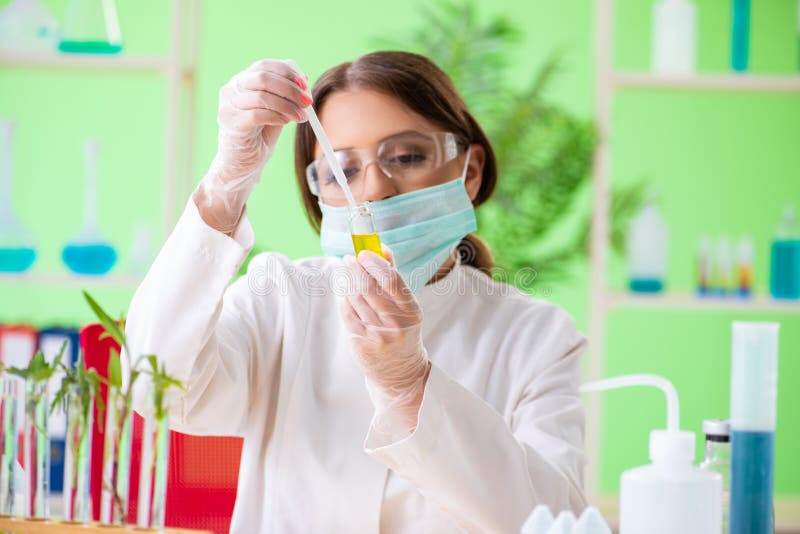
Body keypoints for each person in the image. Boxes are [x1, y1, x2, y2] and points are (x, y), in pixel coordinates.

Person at [127, 51, 587, 533]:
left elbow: (554, 520)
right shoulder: (281, 298)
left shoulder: (538, 337)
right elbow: (158, 385)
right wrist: (225, 183)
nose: (374, 190)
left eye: (407, 156)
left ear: (469, 172)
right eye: (342, 172)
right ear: (320, 195)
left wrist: (409, 386)